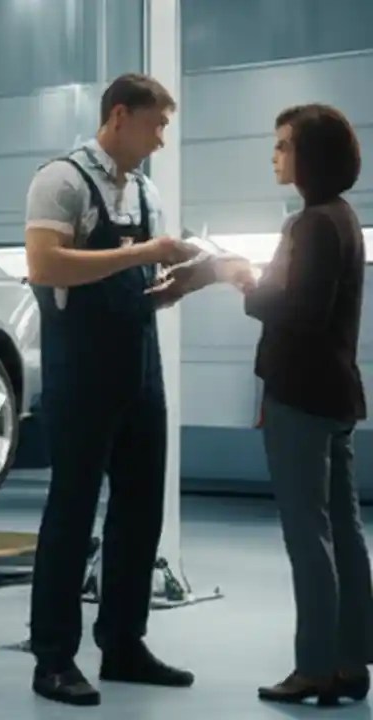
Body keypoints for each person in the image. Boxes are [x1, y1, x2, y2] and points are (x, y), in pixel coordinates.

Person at [22, 73, 250, 707]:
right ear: (119, 116)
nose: (160, 140)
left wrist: (181, 277)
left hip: (138, 371)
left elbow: (141, 278)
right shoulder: (61, 181)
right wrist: (144, 250)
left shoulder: (145, 193)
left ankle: (123, 643)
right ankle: (54, 659)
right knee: (71, 512)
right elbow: (44, 264)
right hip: (81, 373)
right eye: (156, 126)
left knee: (139, 510)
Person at [237, 103, 370, 707]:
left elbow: (299, 312)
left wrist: (247, 284)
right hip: (336, 393)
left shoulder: (310, 224)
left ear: (309, 155)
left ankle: (314, 666)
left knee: (307, 534)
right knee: (343, 530)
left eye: (284, 144)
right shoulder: (343, 219)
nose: (275, 155)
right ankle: (349, 661)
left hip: (300, 395)